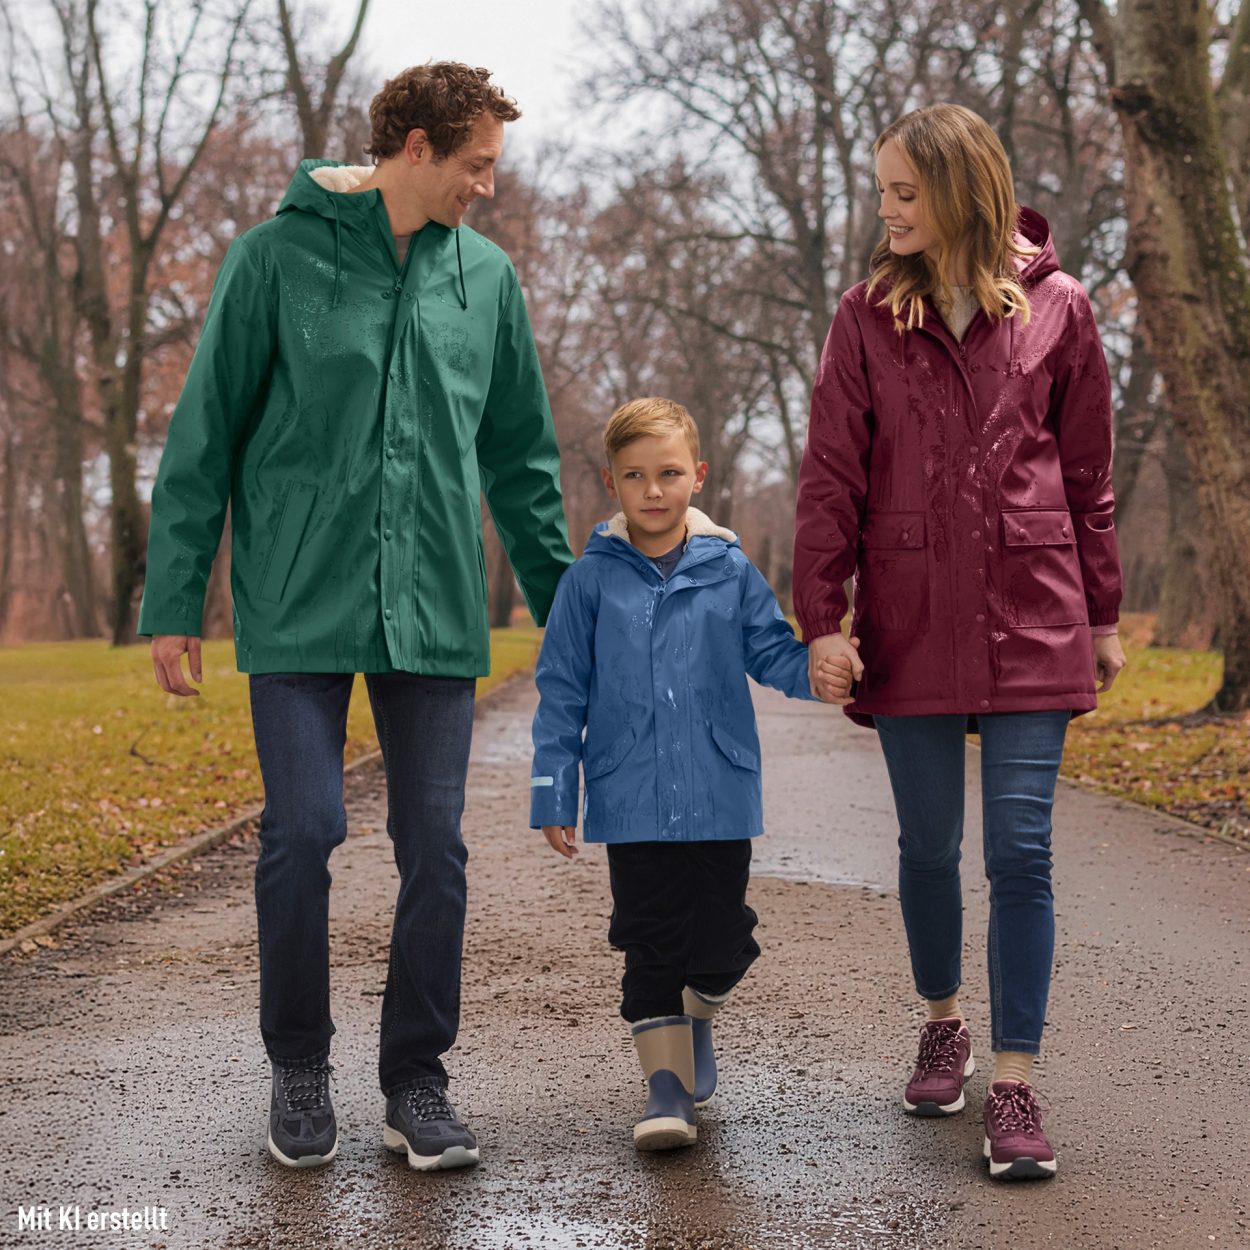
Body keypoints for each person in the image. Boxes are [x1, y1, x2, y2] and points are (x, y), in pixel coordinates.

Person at [138, 62, 573, 1172]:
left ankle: (415, 1081)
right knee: (304, 829)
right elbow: (202, 439)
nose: (487, 185)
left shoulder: (486, 279)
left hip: (431, 601)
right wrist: (176, 601)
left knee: (435, 845)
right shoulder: (274, 257)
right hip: (295, 594)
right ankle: (298, 1063)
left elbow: (520, 462)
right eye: (475, 163)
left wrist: (568, 606)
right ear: (415, 149)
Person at [793, 104, 1127, 1181]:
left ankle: (1016, 1079)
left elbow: (1087, 478)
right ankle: (941, 1017)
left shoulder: (1059, 307)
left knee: (1018, 851)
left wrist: (1106, 611)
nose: (884, 208)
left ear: (956, 190)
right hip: (910, 615)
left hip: (1036, 606)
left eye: (902, 190)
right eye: (881, 189)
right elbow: (828, 477)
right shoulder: (863, 316)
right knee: (928, 846)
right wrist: (819, 616)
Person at [531, 397, 852, 1151]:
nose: (653, 490)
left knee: (719, 941)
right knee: (647, 940)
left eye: (668, 473)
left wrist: (821, 670)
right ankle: (665, 1091)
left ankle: (698, 1009)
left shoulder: (729, 571)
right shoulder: (589, 581)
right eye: (635, 475)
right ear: (612, 482)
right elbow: (561, 691)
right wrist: (555, 788)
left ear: (696, 477)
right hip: (628, 794)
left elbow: (772, 652)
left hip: (719, 789)